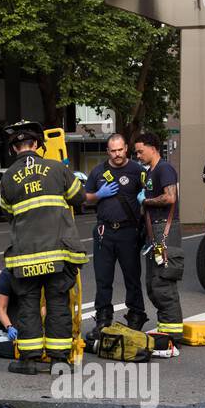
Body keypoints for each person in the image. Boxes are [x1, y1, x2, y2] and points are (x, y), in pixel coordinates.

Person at [0, 120, 88, 373]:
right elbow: (78, 198)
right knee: (58, 303)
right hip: (59, 253)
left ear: (14, 149)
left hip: (25, 256)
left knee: (28, 304)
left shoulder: (7, 178)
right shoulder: (56, 168)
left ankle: (28, 360)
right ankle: (59, 361)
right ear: (37, 145)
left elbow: (8, 213)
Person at [83, 134, 147, 337]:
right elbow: (85, 199)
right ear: (107, 151)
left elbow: (150, 194)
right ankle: (103, 318)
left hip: (129, 231)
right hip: (104, 232)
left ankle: (136, 316)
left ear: (126, 148)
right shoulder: (98, 171)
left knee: (132, 276)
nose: (117, 154)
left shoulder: (137, 170)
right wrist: (98, 195)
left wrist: (145, 198)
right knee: (103, 278)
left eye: (120, 150)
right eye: (113, 150)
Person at [133, 132, 184, 340]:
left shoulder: (164, 169)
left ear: (152, 147)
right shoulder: (151, 171)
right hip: (154, 232)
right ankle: (166, 328)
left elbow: (170, 197)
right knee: (153, 284)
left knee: (163, 281)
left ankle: (173, 334)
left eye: (140, 150)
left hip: (165, 231)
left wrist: (146, 201)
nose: (137, 155)